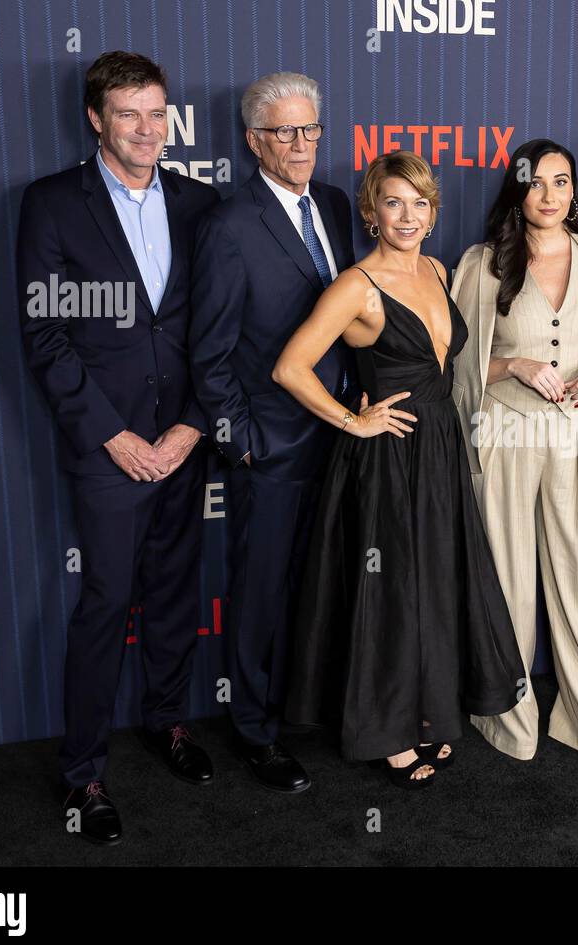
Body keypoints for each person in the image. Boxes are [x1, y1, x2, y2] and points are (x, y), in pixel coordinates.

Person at [16, 51, 219, 844]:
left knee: (174, 592)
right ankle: (84, 772)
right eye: (129, 113)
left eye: (156, 111)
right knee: (105, 604)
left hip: (184, 443)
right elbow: (45, 332)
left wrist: (192, 425)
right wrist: (112, 434)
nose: (146, 128)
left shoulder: (203, 205)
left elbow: (220, 331)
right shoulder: (53, 205)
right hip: (109, 448)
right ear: (97, 119)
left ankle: (168, 724)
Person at [277, 150, 524, 789]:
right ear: (371, 212)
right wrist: (353, 420)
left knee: (436, 584)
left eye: (419, 204)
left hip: (440, 446)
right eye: (394, 202)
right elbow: (290, 367)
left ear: (432, 212)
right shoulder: (357, 285)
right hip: (387, 456)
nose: (408, 216)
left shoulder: (439, 269)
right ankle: (386, 730)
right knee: (391, 591)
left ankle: (427, 713)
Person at [451, 139, 578, 770]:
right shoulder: (483, 262)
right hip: (507, 436)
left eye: (562, 182)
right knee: (507, 581)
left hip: (576, 437)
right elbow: (453, 366)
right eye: (537, 183)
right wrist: (514, 364)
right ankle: (507, 720)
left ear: (574, 190)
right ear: (517, 190)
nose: (550, 195)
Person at [189, 72, 355, 794]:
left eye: (310, 129)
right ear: (255, 140)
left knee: (327, 584)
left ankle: (311, 710)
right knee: (260, 595)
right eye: (284, 132)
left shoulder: (340, 206)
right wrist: (242, 443)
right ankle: (256, 732)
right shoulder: (229, 226)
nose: (300, 144)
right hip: (273, 448)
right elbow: (210, 351)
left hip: (346, 437)